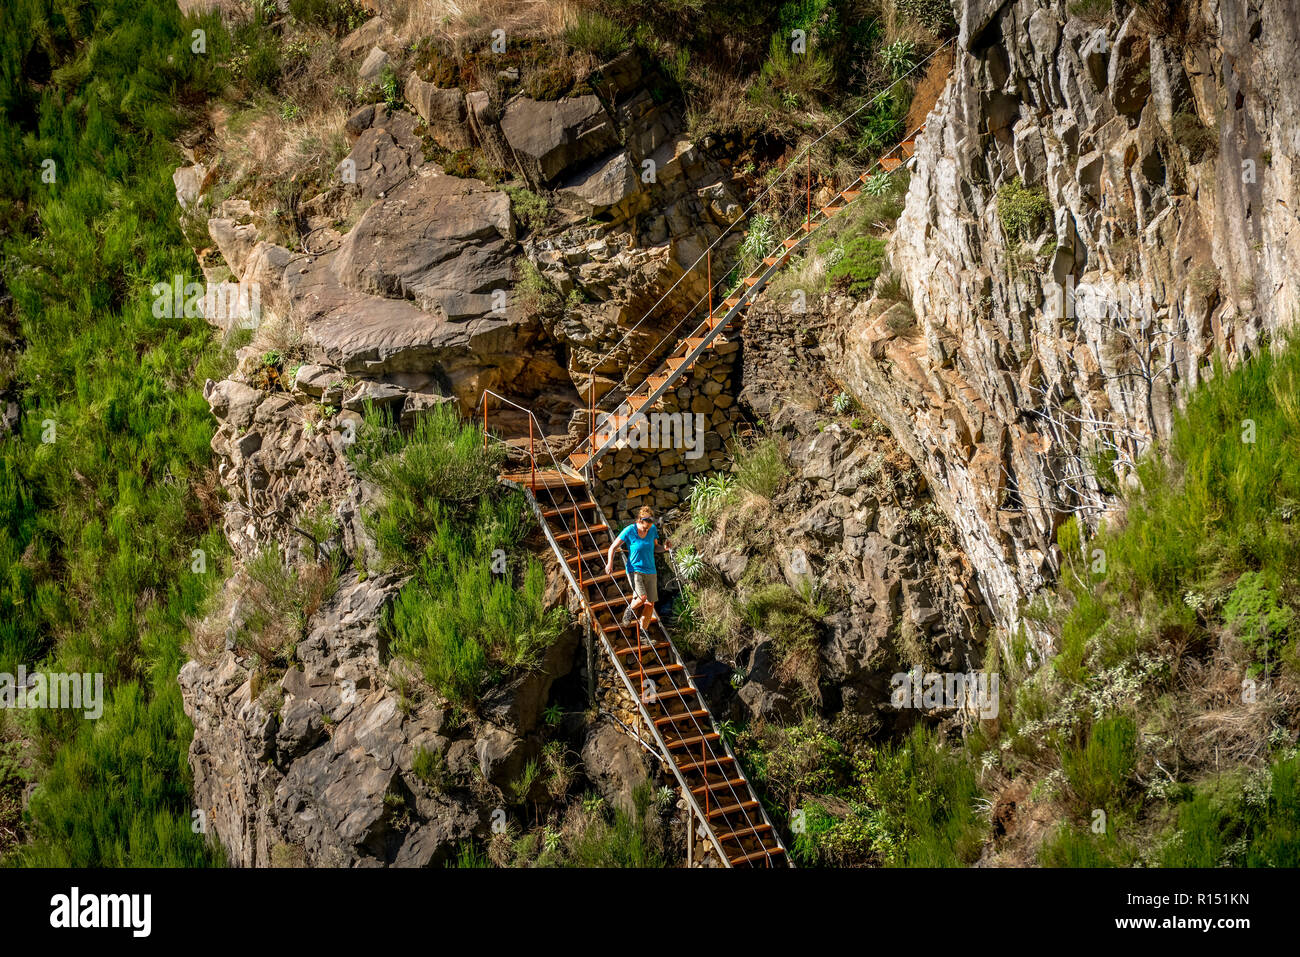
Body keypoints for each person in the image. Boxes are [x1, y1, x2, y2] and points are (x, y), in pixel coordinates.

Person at [604, 505, 670, 632]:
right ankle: (630, 609)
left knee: (650, 604)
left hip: (651, 571)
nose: (647, 530)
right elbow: (612, 548)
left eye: (649, 527)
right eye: (645, 527)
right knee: (642, 597)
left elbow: (655, 548)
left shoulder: (652, 529)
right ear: (640, 520)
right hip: (635, 570)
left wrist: (665, 549)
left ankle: (643, 632)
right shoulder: (629, 530)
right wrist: (610, 563)